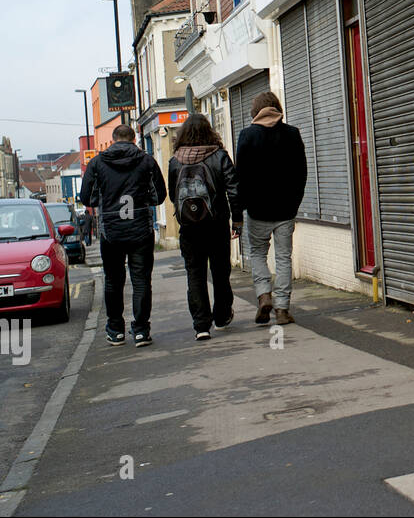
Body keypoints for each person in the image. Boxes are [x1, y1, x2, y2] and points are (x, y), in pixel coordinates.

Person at [78, 124, 166, 347]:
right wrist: (144, 201)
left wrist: (104, 201)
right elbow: (160, 195)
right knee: (141, 281)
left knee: (113, 282)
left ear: (113, 139)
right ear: (134, 139)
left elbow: (86, 197)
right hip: (140, 230)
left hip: (111, 232)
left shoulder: (97, 163)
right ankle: (141, 331)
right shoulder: (146, 161)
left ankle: (115, 330)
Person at [167, 114, 241, 342]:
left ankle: (201, 325)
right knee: (220, 272)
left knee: (195, 274)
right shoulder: (219, 156)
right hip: (217, 224)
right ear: (210, 132)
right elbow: (234, 190)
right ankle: (221, 316)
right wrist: (237, 220)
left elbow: (173, 194)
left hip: (189, 228)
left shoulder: (175, 160)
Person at [235, 91, 307, 326]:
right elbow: (301, 173)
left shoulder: (246, 136)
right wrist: (294, 202)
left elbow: (240, 176)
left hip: (257, 210)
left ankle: (264, 294)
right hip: (285, 210)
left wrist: (243, 207)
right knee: (284, 258)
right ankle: (283, 309)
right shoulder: (292, 134)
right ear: (277, 108)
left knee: (257, 254)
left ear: (255, 111)